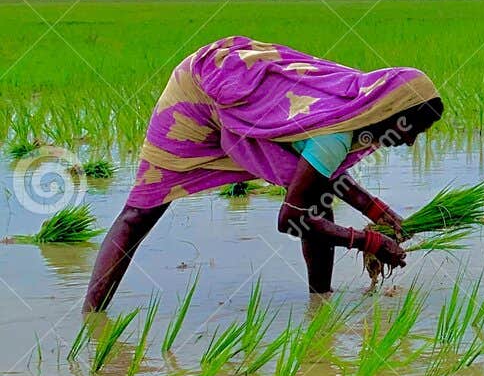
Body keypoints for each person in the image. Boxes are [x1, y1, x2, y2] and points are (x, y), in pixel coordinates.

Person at [84, 36, 444, 312]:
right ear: (392, 110)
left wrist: (375, 210)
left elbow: (317, 171)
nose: (409, 141)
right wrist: (368, 241)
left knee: (315, 199)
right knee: (140, 214)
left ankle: (320, 301)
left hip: (237, 89)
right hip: (197, 93)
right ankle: (92, 317)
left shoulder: (362, 97)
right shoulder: (335, 132)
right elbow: (289, 220)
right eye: (410, 128)